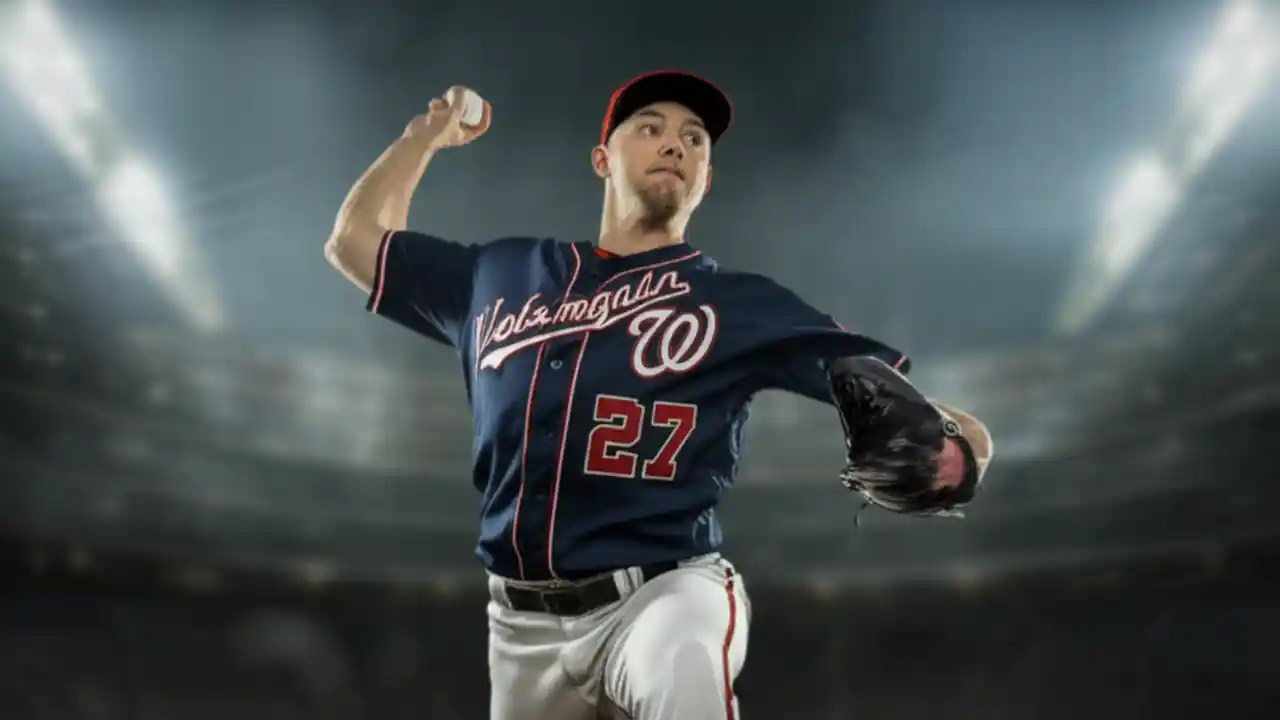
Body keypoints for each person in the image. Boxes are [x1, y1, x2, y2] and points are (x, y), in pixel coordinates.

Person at [324, 70, 993, 720]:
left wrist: (963, 448)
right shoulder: (501, 274)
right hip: (520, 628)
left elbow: (924, 410)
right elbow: (354, 243)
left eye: (694, 139)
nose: (674, 143)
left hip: (665, 594)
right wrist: (422, 137)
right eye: (649, 128)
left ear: (705, 179)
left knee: (680, 662)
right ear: (601, 160)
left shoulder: (740, 305)